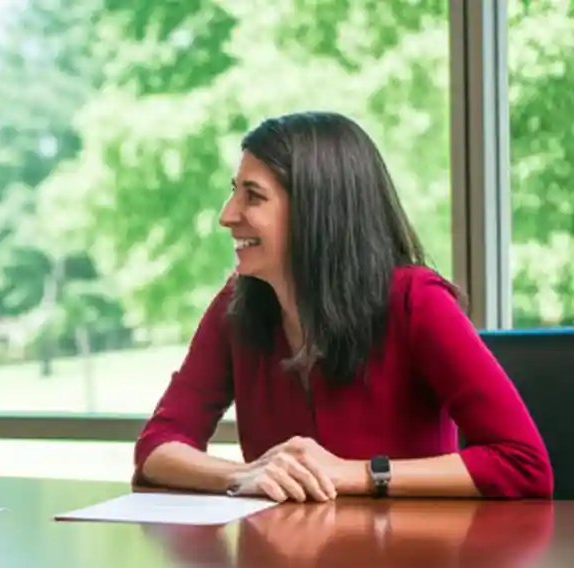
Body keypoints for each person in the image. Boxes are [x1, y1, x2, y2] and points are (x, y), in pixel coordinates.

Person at [134, 111, 553, 501]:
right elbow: (157, 448)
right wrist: (242, 475)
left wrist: (353, 475)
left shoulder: (416, 301)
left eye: (253, 196)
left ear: (315, 212)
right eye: (234, 192)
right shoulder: (238, 303)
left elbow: (523, 464)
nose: (228, 215)